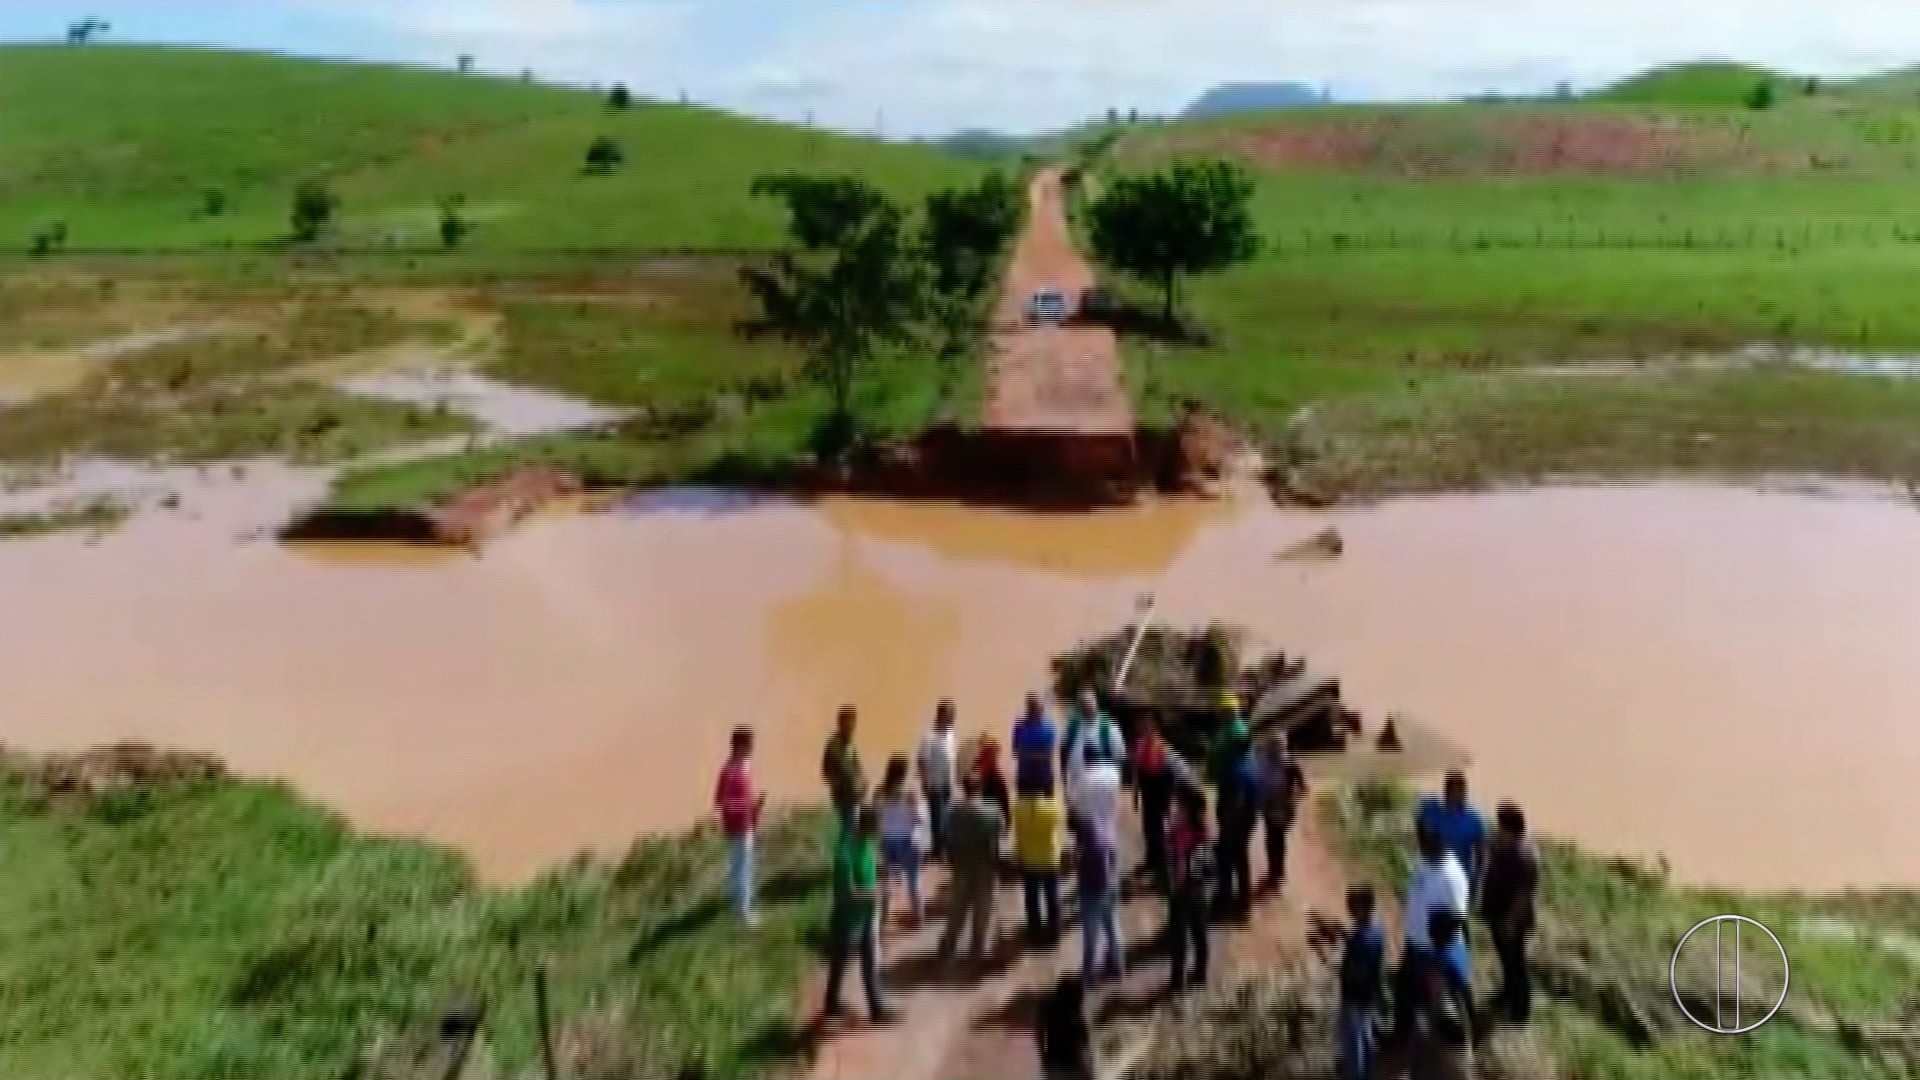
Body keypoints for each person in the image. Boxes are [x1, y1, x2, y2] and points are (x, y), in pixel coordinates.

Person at [1396, 819, 1471, 1041]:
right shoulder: (1424, 860)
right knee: (1404, 990)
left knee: (1432, 1000)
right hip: (1416, 943)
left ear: (1437, 844)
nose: (1419, 847)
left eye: (1423, 842)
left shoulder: (1452, 877)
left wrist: (1439, 957)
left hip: (1434, 951)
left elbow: (1455, 918)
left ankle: (1431, 1043)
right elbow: (1417, 885)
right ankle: (1402, 1035)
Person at [824, 804, 894, 1023]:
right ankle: (832, 1003)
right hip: (848, 921)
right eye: (880, 825)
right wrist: (878, 892)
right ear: (870, 826)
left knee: (870, 963)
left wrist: (884, 876)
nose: (883, 829)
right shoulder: (845, 854)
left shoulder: (868, 844)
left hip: (867, 917)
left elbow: (872, 872)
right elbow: (848, 893)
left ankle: (877, 1009)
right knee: (840, 963)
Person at [1480, 802, 1541, 1024]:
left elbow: (1524, 895)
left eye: (1500, 827)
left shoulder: (1524, 856)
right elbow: (1486, 847)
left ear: (1510, 829)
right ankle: (1506, 996)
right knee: (1506, 960)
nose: (1496, 830)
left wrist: (1510, 920)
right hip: (1499, 913)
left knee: (1516, 963)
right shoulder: (1506, 847)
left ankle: (1520, 1010)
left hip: (1513, 919)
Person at [941, 770, 1007, 967]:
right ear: (981, 788)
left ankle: (949, 946)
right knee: (983, 909)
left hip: (961, 866)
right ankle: (978, 948)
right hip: (985, 866)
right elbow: (1001, 838)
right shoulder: (993, 811)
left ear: (964, 788)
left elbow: (947, 840)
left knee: (957, 909)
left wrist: (952, 859)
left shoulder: (952, 812)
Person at [714, 725, 768, 925]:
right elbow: (722, 802)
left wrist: (754, 805)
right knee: (741, 868)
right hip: (737, 826)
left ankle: (742, 904)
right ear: (739, 745)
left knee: (745, 866)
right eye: (749, 744)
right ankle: (744, 914)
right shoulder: (729, 771)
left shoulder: (744, 766)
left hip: (747, 823)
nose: (752, 748)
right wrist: (748, 804)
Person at [1165, 787, 1215, 993]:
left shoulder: (1180, 832)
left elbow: (1179, 862)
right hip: (1201, 888)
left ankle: (1177, 980)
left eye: (1179, 804)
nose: (1175, 807)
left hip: (1183, 890)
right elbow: (1207, 862)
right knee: (1199, 933)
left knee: (1178, 936)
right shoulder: (1204, 829)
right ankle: (1201, 973)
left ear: (1187, 807)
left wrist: (1175, 886)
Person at [1210, 709, 1259, 919]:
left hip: (1235, 820)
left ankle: (1224, 899)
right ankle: (1244, 900)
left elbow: (1237, 801)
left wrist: (1226, 827)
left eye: (1230, 743)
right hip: (1248, 818)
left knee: (1225, 857)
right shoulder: (1252, 763)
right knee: (1241, 859)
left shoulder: (1237, 768)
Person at [1338, 885, 1387, 1080]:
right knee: (1365, 1038)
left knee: (1353, 1042)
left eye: (1352, 904)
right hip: (1368, 994)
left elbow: (1356, 966)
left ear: (1364, 906)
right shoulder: (1377, 930)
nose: (1348, 908)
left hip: (1354, 996)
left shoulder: (1362, 938)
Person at [1131, 719, 1187, 892]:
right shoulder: (1140, 746)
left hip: (1161, 794)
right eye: (1141, 729)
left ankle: (1162, 871)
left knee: (1160, 833)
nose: (1142, 732)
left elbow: (1177, 772)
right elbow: (1137, 772)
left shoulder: (1163, 749)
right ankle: (1151, 861)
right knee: (1149, 828)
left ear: (1154, 730)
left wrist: (1173, 799)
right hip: (1148, 794)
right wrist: (1135, 795)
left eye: (1146, 729)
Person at [1418, 771, 1489, 899]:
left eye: (1461, 791)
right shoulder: (1433, 812)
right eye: (1453, 791)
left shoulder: (1473, 820)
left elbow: (1480, 855)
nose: (1457, 795)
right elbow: (1421, 826)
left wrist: (1475, 884)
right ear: (1446, 792)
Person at [1074, 812, 1126, 983]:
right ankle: (1118, 965)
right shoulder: (1107, 841)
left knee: (1091, 937)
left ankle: (1089, 973)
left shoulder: (1085, 848)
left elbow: (1078, 869)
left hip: (1091, 893)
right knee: (1112, 928)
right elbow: (1113, 863)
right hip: (1110, 889)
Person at [876, 755, 926, 928]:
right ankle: (918, 917)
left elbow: (874, 817)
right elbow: (919, 818)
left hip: (886, 840)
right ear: (905, 772)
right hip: (909, 840)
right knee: (914, 880)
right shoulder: (910, 792)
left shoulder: (879, 791)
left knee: (886, 881)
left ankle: (882, 919)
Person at [1013, 782, 1066, 946]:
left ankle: (1034, 931)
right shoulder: (1054, 807)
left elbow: (1018, 834)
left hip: (1029, 858)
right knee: (1052, 896)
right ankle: (1054, 931)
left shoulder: (1018, 809)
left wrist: (1019, 856)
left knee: (1032, 897)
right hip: (1050, 857)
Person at [1256, 732, 1308, 891]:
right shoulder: (1263, 762)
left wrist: (1292, 800)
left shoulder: (1290, 765)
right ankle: (1275, 870)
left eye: (1275, 747)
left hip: (1283, 808)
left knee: (1276, 839)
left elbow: (1303, 789)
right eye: (1271, 747)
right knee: (1272, 839)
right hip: (1268, 806)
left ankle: (1277, 871)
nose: (1273, 750)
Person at [1062, 688, 1127, 796]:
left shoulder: (1108, 727)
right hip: (1077, 786)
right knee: (1078, 812)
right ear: (1080, 707)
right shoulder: (1071, 726)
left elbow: (1120, 757)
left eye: (1090, 704)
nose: (1087, 708)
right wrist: (1065, 784)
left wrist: (1115, 784)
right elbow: (1063, 753)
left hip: (1103, 788)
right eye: (1084, 705)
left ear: (1096, 704)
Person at [918, 700, 961, 860]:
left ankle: (941, 848)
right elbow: (922, 761)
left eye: (953, 716)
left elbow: (952, 758)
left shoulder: (950, 734)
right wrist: (925, 781)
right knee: (937, 817)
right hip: (934, 782)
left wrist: (956, 777)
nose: (952, 719)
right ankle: (938, 851)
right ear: (941, 715)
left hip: (947, 782)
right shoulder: (929, 737)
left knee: (946, 815)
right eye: (950, 715)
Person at [1035, 973, 1094, 1080]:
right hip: (1071, 1063)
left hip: (1054, 1062)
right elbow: (1084, 1041)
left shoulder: (1048, 1006)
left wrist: (1042, 1057)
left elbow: (1039, 1033)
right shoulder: (1074, 1013)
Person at [821, 705, 867, 827]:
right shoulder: (835, 744)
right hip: (844, 796)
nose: (852, 726)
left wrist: (862, 782)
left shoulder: (849, 744)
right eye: (849, 722)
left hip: (853, 796)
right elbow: (832, 770)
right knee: (848, 828)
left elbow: (856, 767)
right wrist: (848, 782)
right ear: (840, 723)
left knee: (850, 827)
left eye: (853, 722)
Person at [1011, 693, 1060, 798]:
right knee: (1025, 811)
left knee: (1046, 811)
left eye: (1036, 706)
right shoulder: (1019, 727)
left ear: (1042, 708)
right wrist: (1036, 754)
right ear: (1027, 707)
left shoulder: (1049, 728)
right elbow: (1016, 752)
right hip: (1025, 776)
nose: (1033, 709)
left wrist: (1027, 754)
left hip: (1044, 777)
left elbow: (1048, 753)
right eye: (1031, 706)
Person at [973, 734, 1014, 825]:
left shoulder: (987, 752)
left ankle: (999, 824)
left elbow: (976, 768)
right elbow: (976, 768)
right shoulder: (987, 752)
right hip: (993, 781)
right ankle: (1005, 823)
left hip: (990, 782)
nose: (980, 744)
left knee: (990, 808)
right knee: (1001, 806)